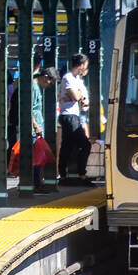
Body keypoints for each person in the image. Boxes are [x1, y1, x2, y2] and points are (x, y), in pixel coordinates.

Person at [57, 53, 93, 186]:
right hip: (68, 116)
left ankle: (64, 176)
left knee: (68, 146)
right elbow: (75, 96)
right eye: (86, 65)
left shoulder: (76, 78)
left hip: (74, 116)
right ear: (82, 65)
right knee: (84, 144)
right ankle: (80, 174)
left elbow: (83, 99)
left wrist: (79, 96)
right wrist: (78, 94)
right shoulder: (68, 78)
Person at [30, 67, 56, 193]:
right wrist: (35, 125)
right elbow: (28, 108)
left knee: (39, 157)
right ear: (45, 76)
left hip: (37, 128)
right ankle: (36, 185)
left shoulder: (37, 87)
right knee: (37, 158)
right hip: (34, 129)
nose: (50, 84)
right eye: (50, 81)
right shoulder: (34, 87)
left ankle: (38, 183)